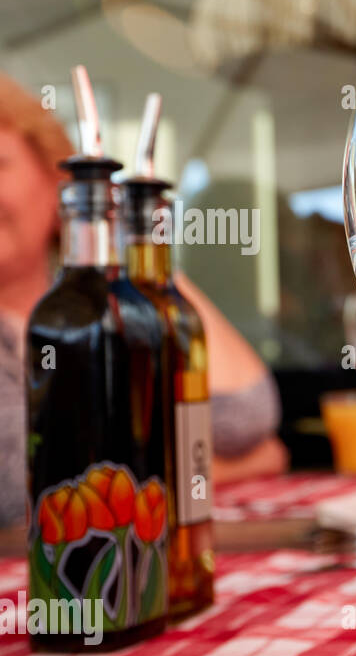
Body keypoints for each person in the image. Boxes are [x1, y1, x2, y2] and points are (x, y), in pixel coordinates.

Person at [0, 71, 286, 526]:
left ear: (60, 185)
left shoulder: (114, 304)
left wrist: (139, 259)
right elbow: (21, 491)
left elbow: (248, 415)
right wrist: (244, 463)